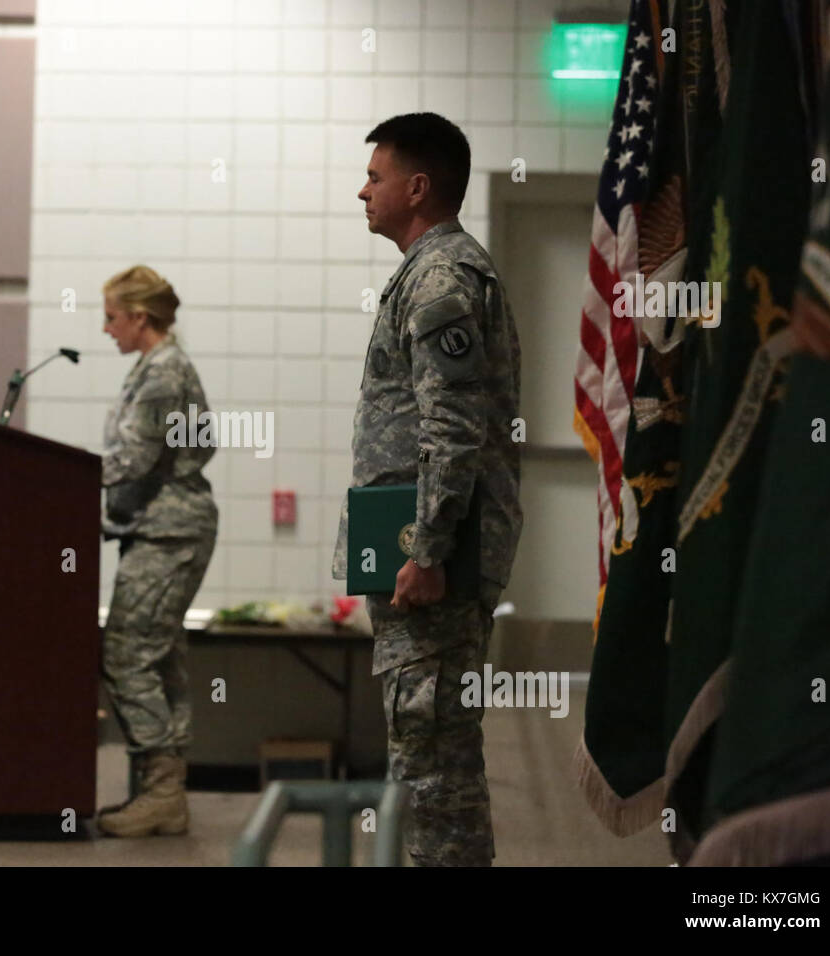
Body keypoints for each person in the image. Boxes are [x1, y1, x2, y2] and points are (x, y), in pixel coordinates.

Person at [331, 113, 523, 866]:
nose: (362, 191)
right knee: (430, 756)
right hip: (420, 555)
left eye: (375, 177)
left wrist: (431, 548)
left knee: (433, 764)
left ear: (417, 187)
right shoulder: (428, 271)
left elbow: (453, 425)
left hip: (433, 565)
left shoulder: (441, 277)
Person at [96, 265, 218, 838]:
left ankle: (162, 789)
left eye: (112, 316)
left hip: (169, 532)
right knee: (158, 655)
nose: (106, 328)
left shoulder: (164, 372)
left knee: (126, 654)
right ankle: (162, 791)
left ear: (140, 317)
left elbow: (132, 462)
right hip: (160, 528)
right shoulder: (159, 366)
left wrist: (71, 489)